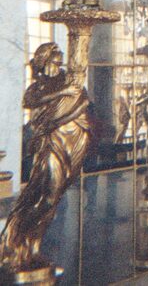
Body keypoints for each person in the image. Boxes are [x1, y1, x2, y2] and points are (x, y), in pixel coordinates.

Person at [0, 43, 91, 272]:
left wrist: (60, 118)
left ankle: (33, 248)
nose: (60, 55)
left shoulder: (68, 80)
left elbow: (84, 102)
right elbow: (29, 101)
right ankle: (18, 238)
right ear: (47, 58)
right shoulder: (41, 86)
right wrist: (61, 99)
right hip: (50, 145)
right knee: (46, 198)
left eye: (60, 52)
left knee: (54, 200)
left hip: (72, 142)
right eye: (55, 52)